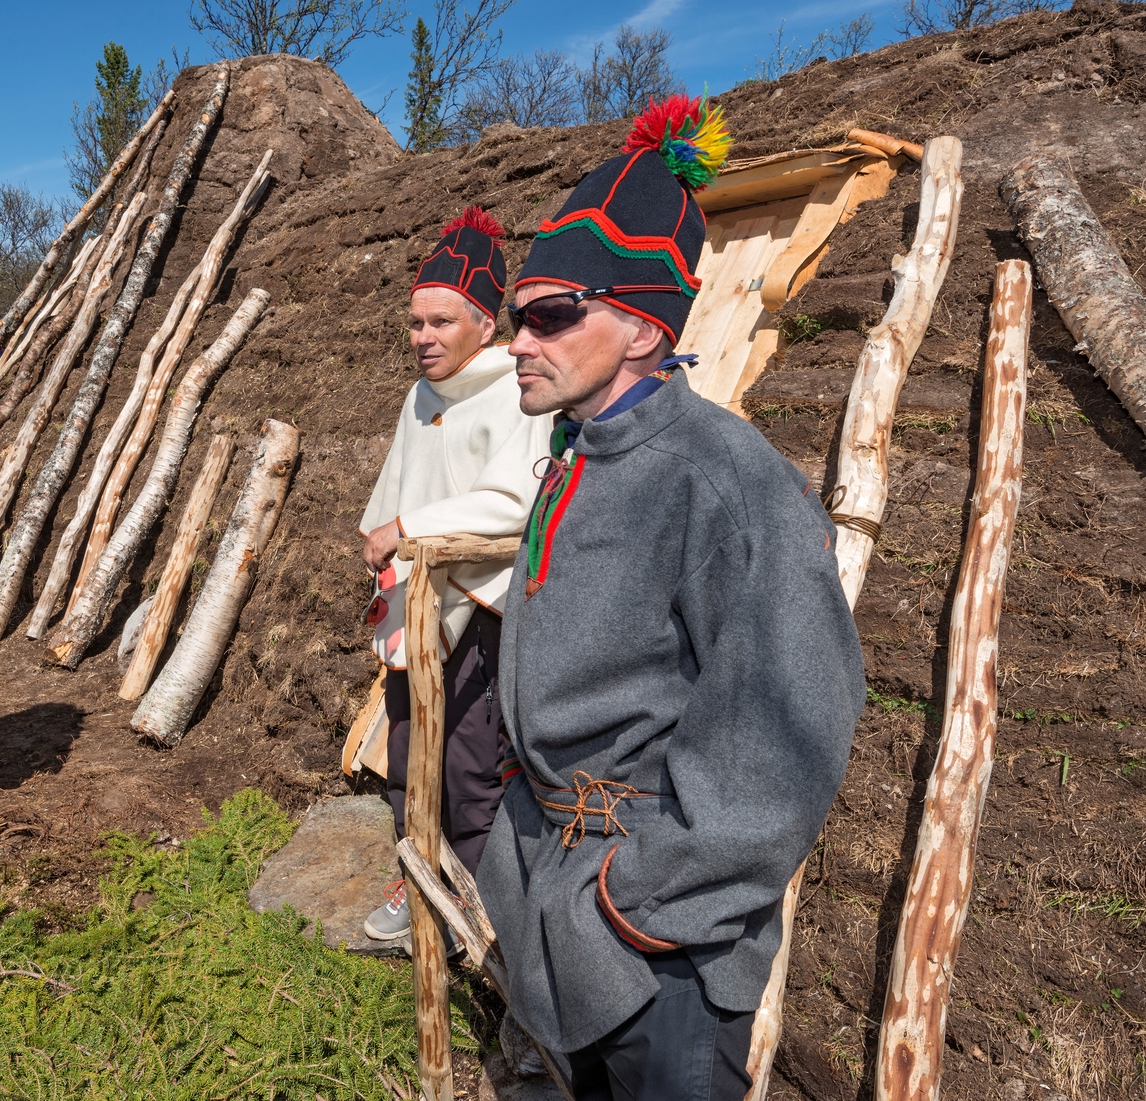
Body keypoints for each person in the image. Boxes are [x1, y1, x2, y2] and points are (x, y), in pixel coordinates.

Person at [475, 97, 866, 1099]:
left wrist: (640, 899)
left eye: (554, 312)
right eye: (521, 313)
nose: (521, 337)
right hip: (564, 900)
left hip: (665, 948)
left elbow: (794, 715)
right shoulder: (578, 454)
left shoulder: (724, 479)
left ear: (644, 324)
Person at [359, 207, 552, 945]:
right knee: (410, 755)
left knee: (471, 773)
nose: (424, 338)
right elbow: (401, 486)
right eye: (415, 323)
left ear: (483, 323)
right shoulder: (421, 395)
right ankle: (419, 881)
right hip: (417, 606)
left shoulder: (516, 392)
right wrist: (386, 555)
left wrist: (406, 532)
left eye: (441, 322)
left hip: (480, 608)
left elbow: (512, 503)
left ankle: (480, 913)